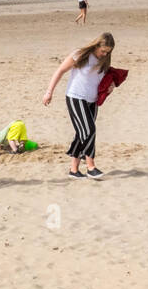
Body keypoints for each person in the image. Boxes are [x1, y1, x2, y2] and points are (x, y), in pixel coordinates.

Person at [43, 32, 115, 179]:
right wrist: (49, 92)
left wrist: (111, 85)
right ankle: (90, 166)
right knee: (89, 130)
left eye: (108, 52)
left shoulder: (105, 60)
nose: (104, 54)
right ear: (96, 45)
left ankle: (74, 170)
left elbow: (104, 77)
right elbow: (60, 71)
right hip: (76, 97)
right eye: (103, 51)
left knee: (81, 134)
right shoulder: (80, 54)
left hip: (92, 100)